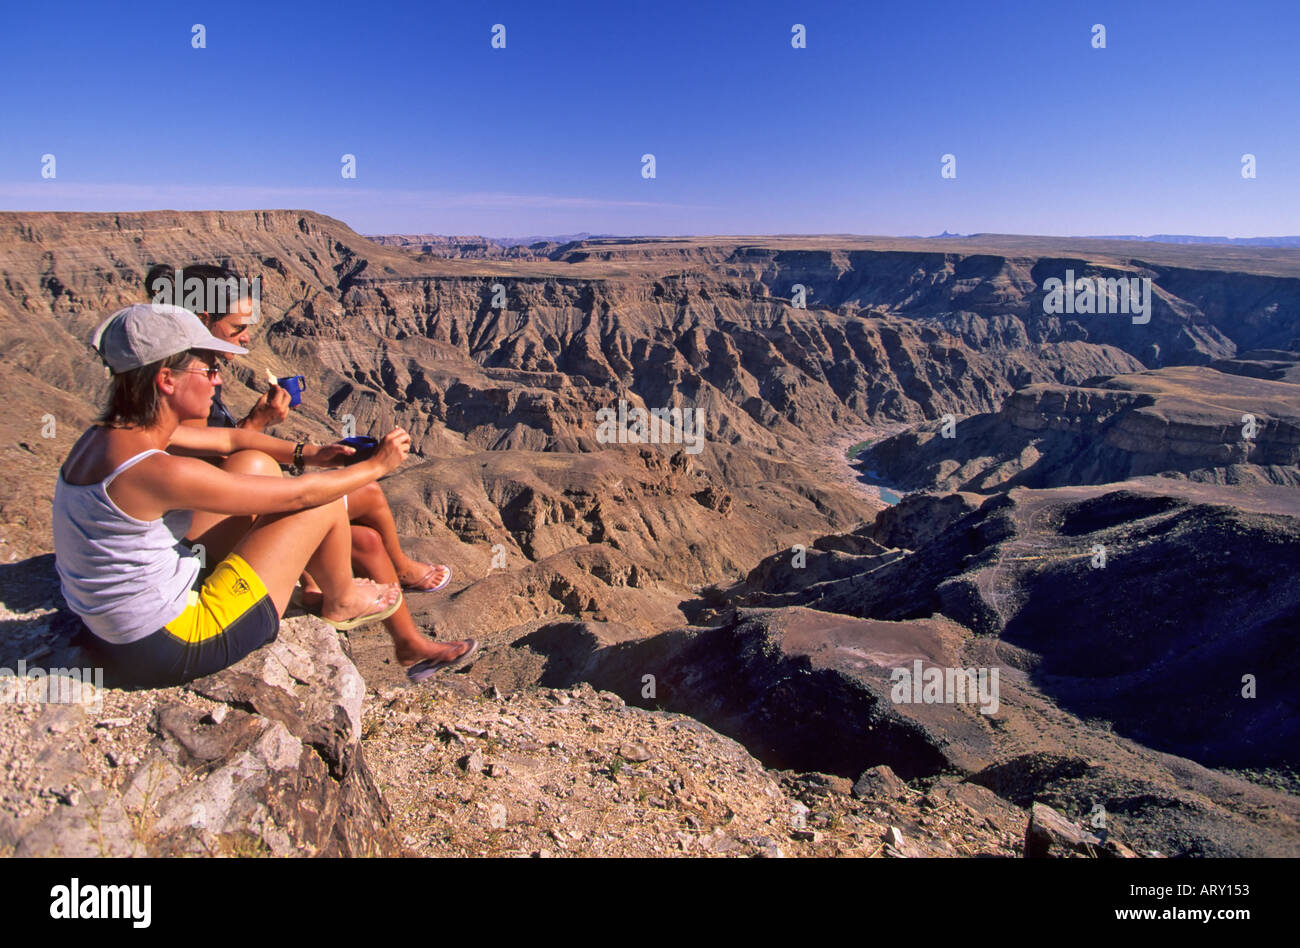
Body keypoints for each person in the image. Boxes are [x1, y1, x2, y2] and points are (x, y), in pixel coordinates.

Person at [52, 302, 476, 688]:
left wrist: (310, 454)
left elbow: (231, 443)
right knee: (318, 501)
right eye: (209, 370)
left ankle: (325, 590)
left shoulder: (110, 436)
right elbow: (296, 499)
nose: (218, 380)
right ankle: (341, 599)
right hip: (171, 644)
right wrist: (376, 466)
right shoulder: (153, 470)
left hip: (114, 634)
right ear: (166, 380)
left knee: (252, 463)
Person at [143, 264, 454, 594]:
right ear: (204, 319)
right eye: (238, 328)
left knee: (365, 540)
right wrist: (370, 465)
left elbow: (221, 442)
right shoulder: (181, 381)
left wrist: (315, 455)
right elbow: (208, 471)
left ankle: (399, 630)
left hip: (217, 505)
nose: (247, 337)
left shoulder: (195, 368)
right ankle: (356, 583)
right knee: (360, 497)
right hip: (197, 529)